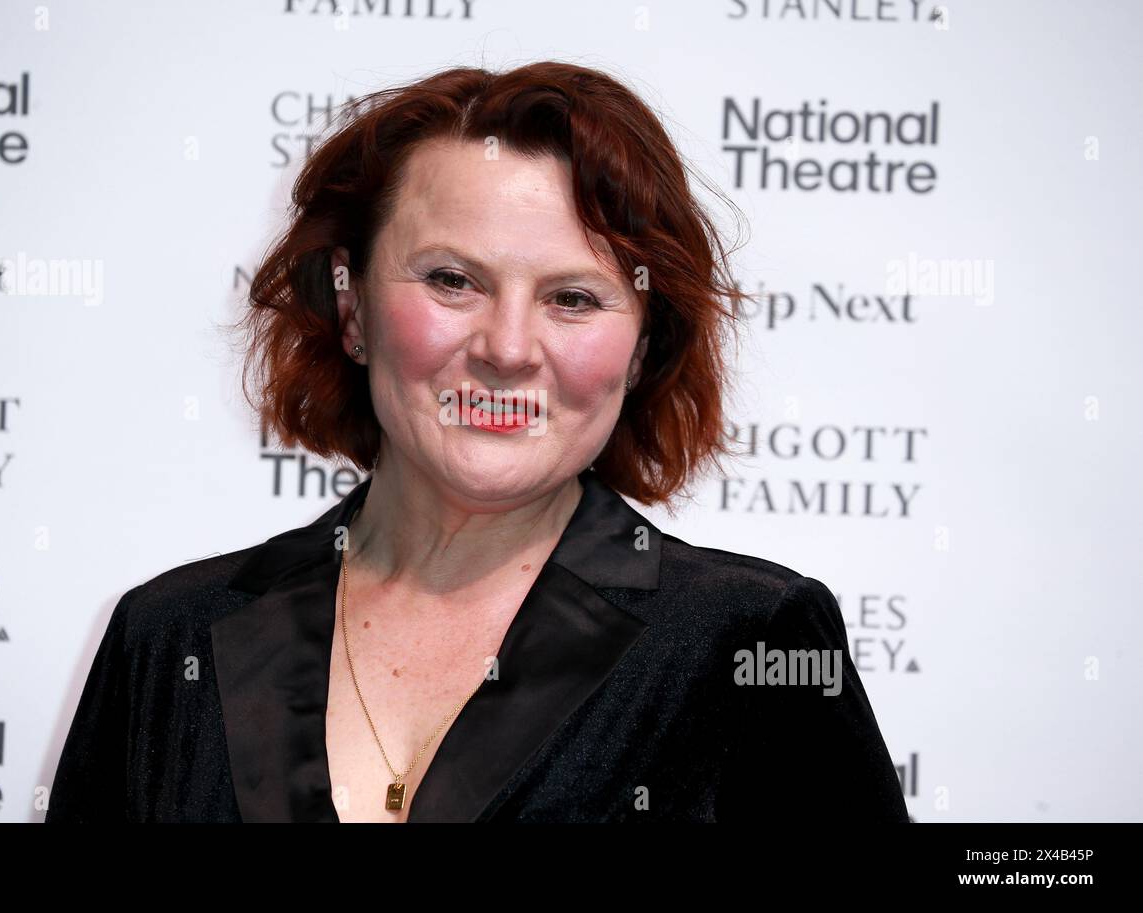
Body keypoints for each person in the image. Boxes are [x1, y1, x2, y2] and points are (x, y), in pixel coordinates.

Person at [45, 60, 909, 823]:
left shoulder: (747, 643)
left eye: (573, 297)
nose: (505, 346)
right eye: (452, 280)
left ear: (642, 345)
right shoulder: (168, 637)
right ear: (351, 309)